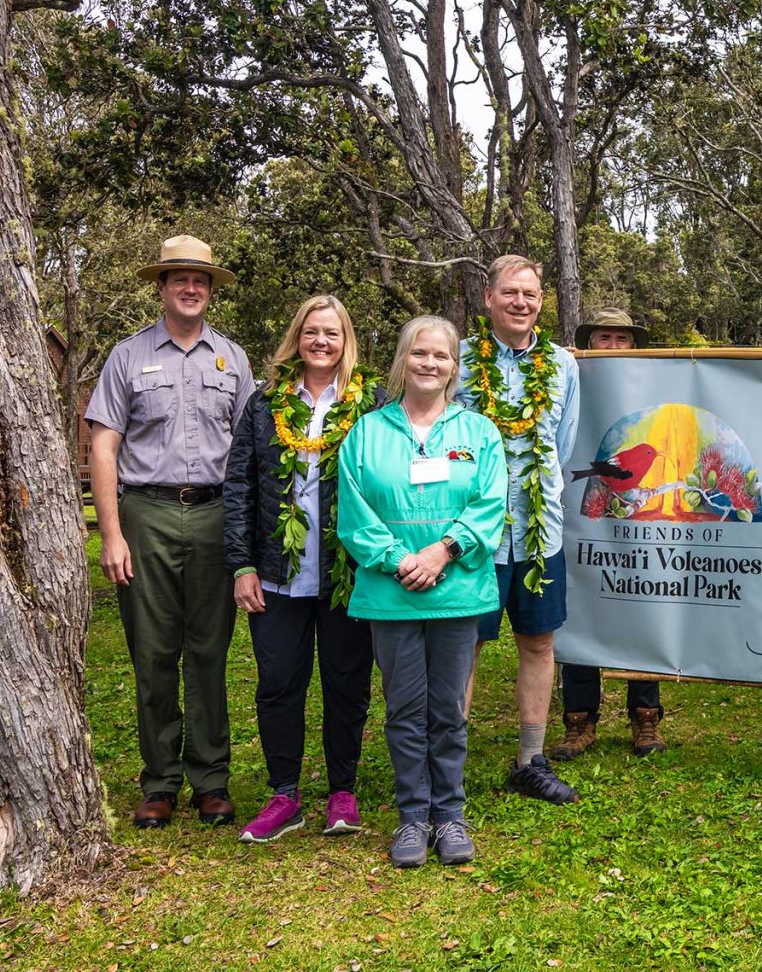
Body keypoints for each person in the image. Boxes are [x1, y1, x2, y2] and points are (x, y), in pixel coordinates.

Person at [85, 235, 254, 830]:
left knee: (209, 651)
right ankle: (158, 782)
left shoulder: (233, 360)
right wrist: (111, 534)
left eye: (200, 280)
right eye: (178, 278)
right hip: (147, 515)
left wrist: (246, 538)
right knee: (153, 652)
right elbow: (103, 445)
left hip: (214, 515)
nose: (190, 287)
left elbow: (248, 452)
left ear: (211, 290)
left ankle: (211, 779)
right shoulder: (127, 357)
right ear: (160, 287)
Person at [337, 315, 507, 868]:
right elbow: (355, 512)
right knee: (404, 709)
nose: (430, 364)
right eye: (420, 354)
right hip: (393, 593)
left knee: (449, 712)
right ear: (403, 360)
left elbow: (489, 503)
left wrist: (442, 553)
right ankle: (413, 818)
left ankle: (450, 816)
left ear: (454, 366)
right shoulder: (367, 433)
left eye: (441, 356)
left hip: (457, 589)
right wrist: (398, 559)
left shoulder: (477, 433)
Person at [224, 295, 381, 843]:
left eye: (332, 334)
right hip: (277, 572)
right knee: (278, 683)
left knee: (346, 682)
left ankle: (343, 791)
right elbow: (240, 484)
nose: (321, 342)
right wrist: (242, 563)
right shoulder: (264, 403)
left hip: (345, 572)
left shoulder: (370, 404)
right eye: (312, 331)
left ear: (346, 342)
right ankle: (283, 794)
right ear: (297, 337)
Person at [457, 255, 582, 804]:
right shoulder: (458, 360)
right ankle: (448, 761)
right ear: (489, 298)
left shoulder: (562, 365)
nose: (521, 303)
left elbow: (564, 444)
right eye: (510, 293)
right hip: (470, 534)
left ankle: (531, 758)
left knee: (539, 641)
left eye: (530, 294)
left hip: (538, 530)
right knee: (464, 644)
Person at [554, 306, 667, 761]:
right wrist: (559, 365)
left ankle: (645, 715)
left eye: (622, 339)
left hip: (642, 524)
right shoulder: (568, 375)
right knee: (580, 608)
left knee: (643, 606)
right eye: (604, 338)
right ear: (590, 343)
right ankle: (579, 720)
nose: (613, 347)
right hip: (583, 518)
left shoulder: (653, 386)